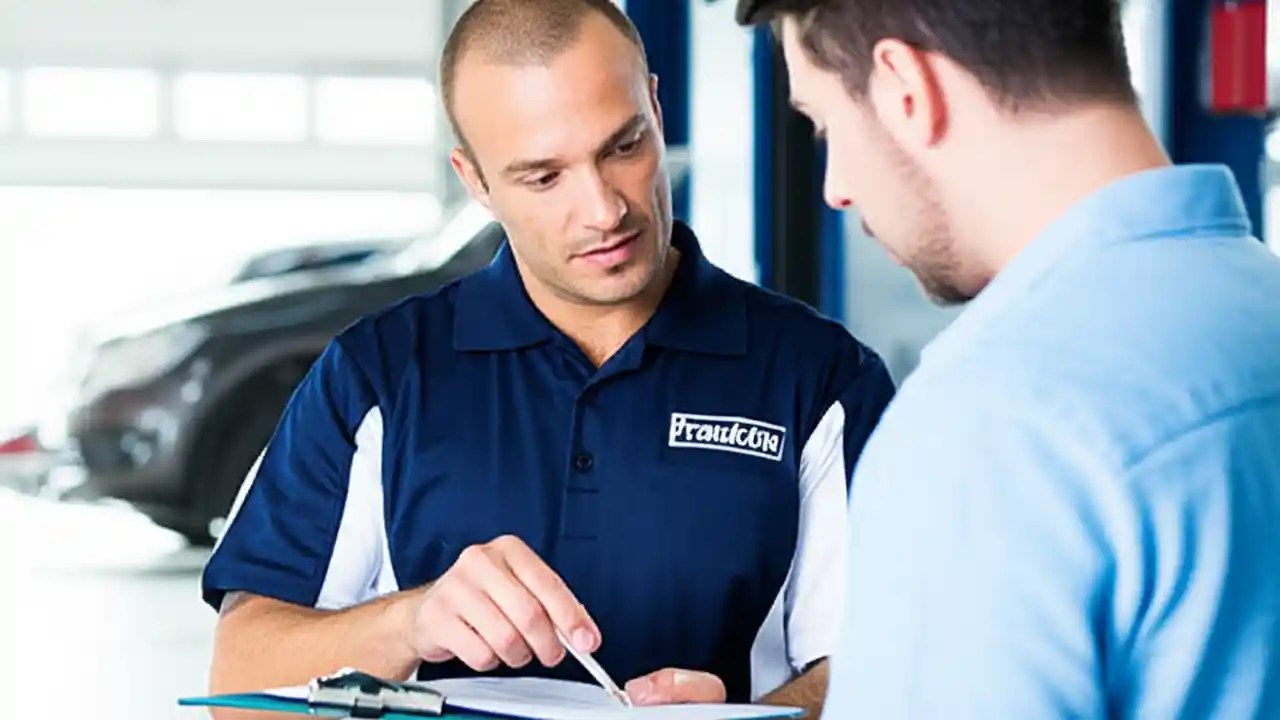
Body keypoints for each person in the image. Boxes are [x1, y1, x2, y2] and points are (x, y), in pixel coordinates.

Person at [202, 0, 895, 716]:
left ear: (655, 106)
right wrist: (411, 620)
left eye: (623, 146)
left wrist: (757, 718)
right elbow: (238, 690)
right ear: (475, 181)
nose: (603, 210)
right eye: (543, 177)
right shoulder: (376, 375)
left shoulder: (822, 381)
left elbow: (902, 666)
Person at [736, 0, 1280, 717]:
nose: (835, 185)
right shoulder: (1259, 310)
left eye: (826, 125)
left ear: (905, 88)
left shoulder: (988, 427)